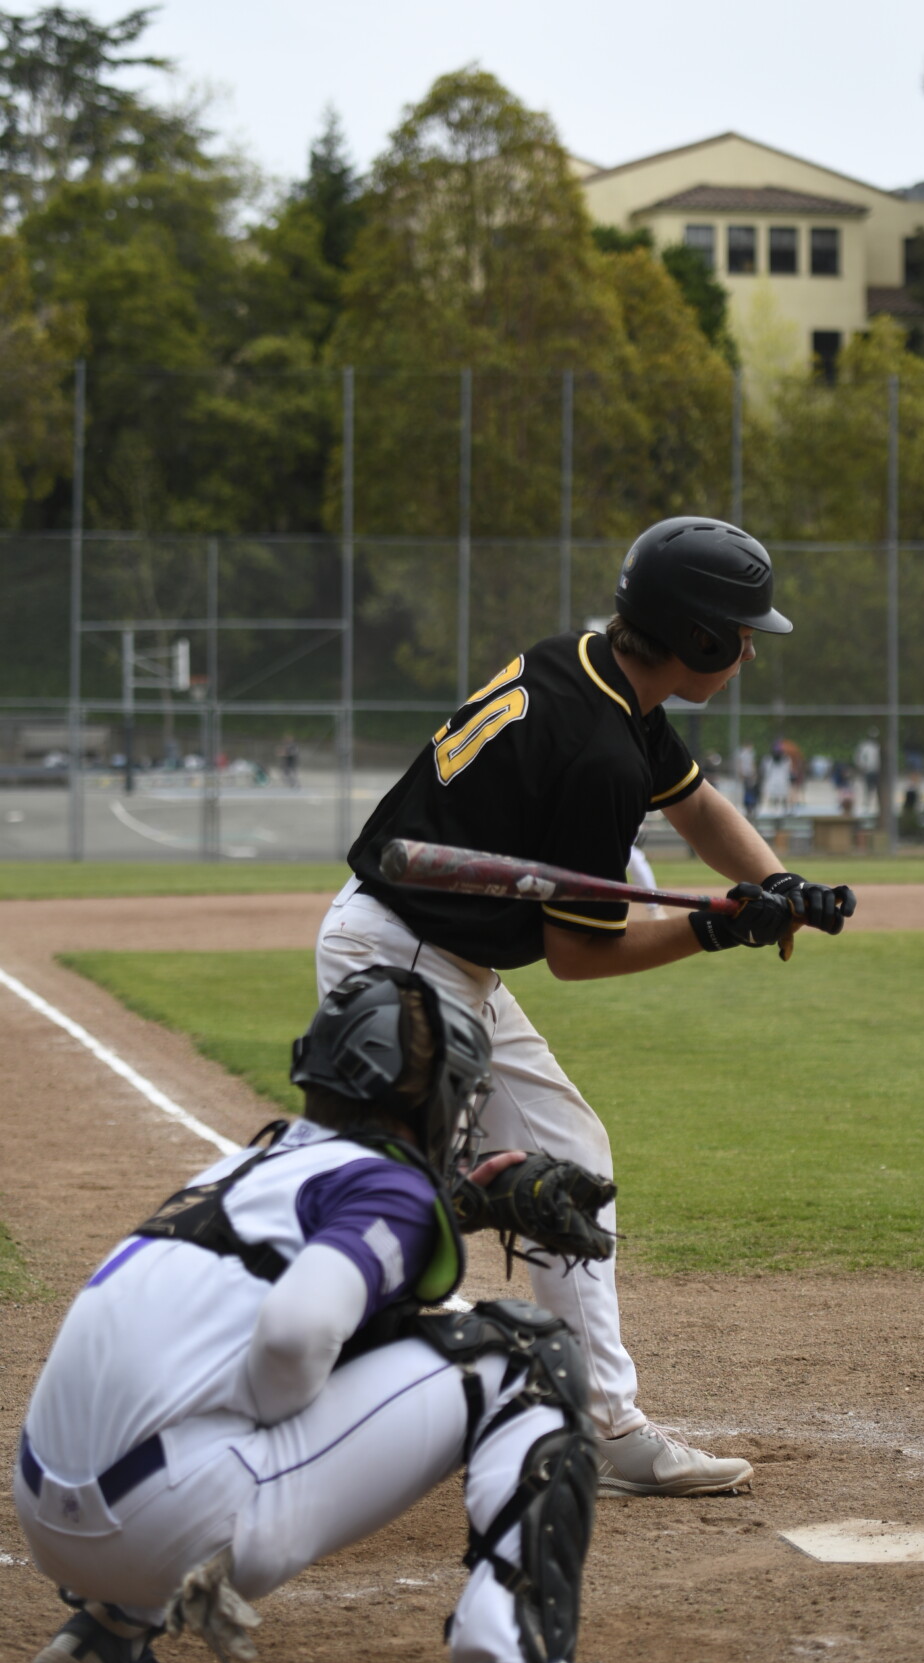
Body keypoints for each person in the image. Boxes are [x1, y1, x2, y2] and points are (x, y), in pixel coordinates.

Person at [15, 966, 708, 1663]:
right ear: (431, 1095)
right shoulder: (388, 1188)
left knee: (245, 1368)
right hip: (175, 1525)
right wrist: (282, 1410)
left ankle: (104, 1637)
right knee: (526, 1354)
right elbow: (292, 1334)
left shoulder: (249, 1166)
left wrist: (459, 1205)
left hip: (52, 1518)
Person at [315, 516, 856, 1498]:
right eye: (738, 633)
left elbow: (693, 804)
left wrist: (784, 887)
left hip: (439, 953)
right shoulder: (600, 756)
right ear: (695, 640)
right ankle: (279, 1392)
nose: (746, 650)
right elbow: (577, 954)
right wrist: (715, 928)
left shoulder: (595, 669)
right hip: (405, 964)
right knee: (401, 1209)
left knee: (560, 1162)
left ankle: (593, 1419)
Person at [853, 728, 881, 810]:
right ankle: (867, 803)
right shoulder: (865, 745)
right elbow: (859, 757)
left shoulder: (878, 745)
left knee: (877, 788)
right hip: (868, 770)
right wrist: (862, 766)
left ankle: (877, 804)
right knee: (868, 787)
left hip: (877, 770)